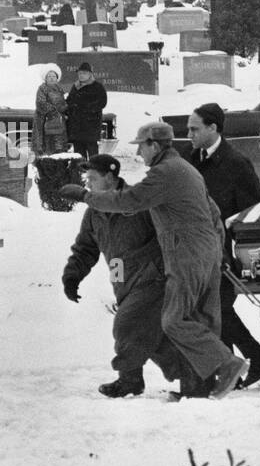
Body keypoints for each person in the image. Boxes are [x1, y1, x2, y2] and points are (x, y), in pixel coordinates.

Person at [59, 123, 247, 400]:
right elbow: (212, 211)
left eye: (141, 146)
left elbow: (130, 201)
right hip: (163, 268)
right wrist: (72, 275)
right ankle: (197, 385)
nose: (138, 153)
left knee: (159, 323)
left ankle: (224, 364)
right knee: (165, 332)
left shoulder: (161, 177)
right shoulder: (183, 171)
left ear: (155, 146)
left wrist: (85, 196)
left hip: (166, 270)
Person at [61, 154, 186, 397]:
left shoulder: (138, 203)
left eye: (93, 178)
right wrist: (72, 276)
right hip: (123, 284)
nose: (88, 184)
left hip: (153, 279)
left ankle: (130, 381)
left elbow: (170, 234)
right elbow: (85, 248)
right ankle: (197, 377)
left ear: (110, 177)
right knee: (154, 340)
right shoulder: (94, 213)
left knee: (126, 326)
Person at [186, 103, 260, 386]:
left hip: (226, 253)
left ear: (213, 128)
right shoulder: (193, 159)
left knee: (220, 308)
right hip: (200, 250)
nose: (189, 134)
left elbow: (253, 212)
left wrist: (237, 253)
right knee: (216, 310)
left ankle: (244, 361)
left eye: (194, 128)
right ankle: (246, 360)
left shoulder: (237, 164)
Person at [65, 62, 107, 159]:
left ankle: (94, 172)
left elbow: (102, 102)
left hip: (90, 126)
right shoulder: (75, 87)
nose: (81, 75)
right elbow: (70, 100)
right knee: (79, 155)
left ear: (90, 74)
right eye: (80, 73)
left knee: (93, 154)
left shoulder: (97, 87)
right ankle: (80, 172)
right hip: (76, 127)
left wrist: (86, 109)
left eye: (84, 73)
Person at [33, 64, 68, 155]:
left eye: (54, 76)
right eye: (49, 76)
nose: (52, 78)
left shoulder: (60, 89)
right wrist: (54, 111)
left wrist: (65, 108)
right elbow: (40, 103)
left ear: (57, 78)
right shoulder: (42, 89)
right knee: (47, 144)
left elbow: (62, 104)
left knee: (59, 145)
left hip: (58, 122)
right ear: (45, 78)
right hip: (44, 121)